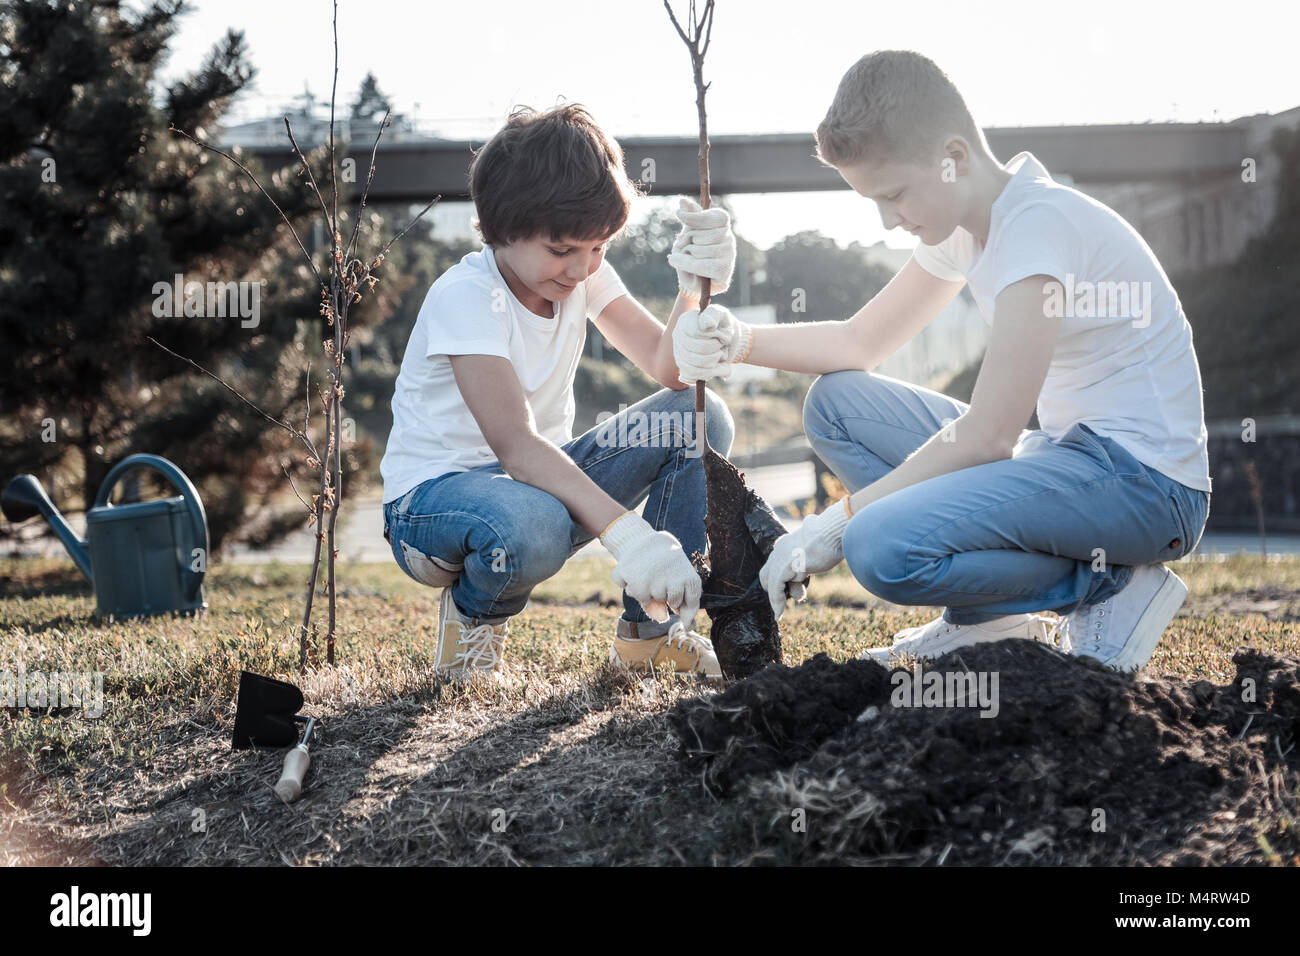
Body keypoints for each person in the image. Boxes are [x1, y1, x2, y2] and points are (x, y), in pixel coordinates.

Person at [672, 51, 1211, 671]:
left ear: (951, 155)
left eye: (895, 194)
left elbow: (987, 437)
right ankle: (988, 619)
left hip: (1148, 488)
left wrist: (835, 523)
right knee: (837, 404)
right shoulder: (967, 226)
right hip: (1072, 459)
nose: (886, 220)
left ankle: (1111, 586)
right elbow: (857, 344)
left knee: (878, 547)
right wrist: (737, 341)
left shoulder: (1036, 229)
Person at [380, 103, 738, 681]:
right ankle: (473, 616)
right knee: (532, 524)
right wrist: (632, 538)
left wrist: (693, 289)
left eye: (598, 247)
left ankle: (652, 633)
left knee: (698, 417)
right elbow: (517, 446)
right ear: (504, 228)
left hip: (541, 490)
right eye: (562, 250)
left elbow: (666, 367)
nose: (581, 269)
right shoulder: (468, 295)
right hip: (434, 506)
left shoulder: (584, 272)